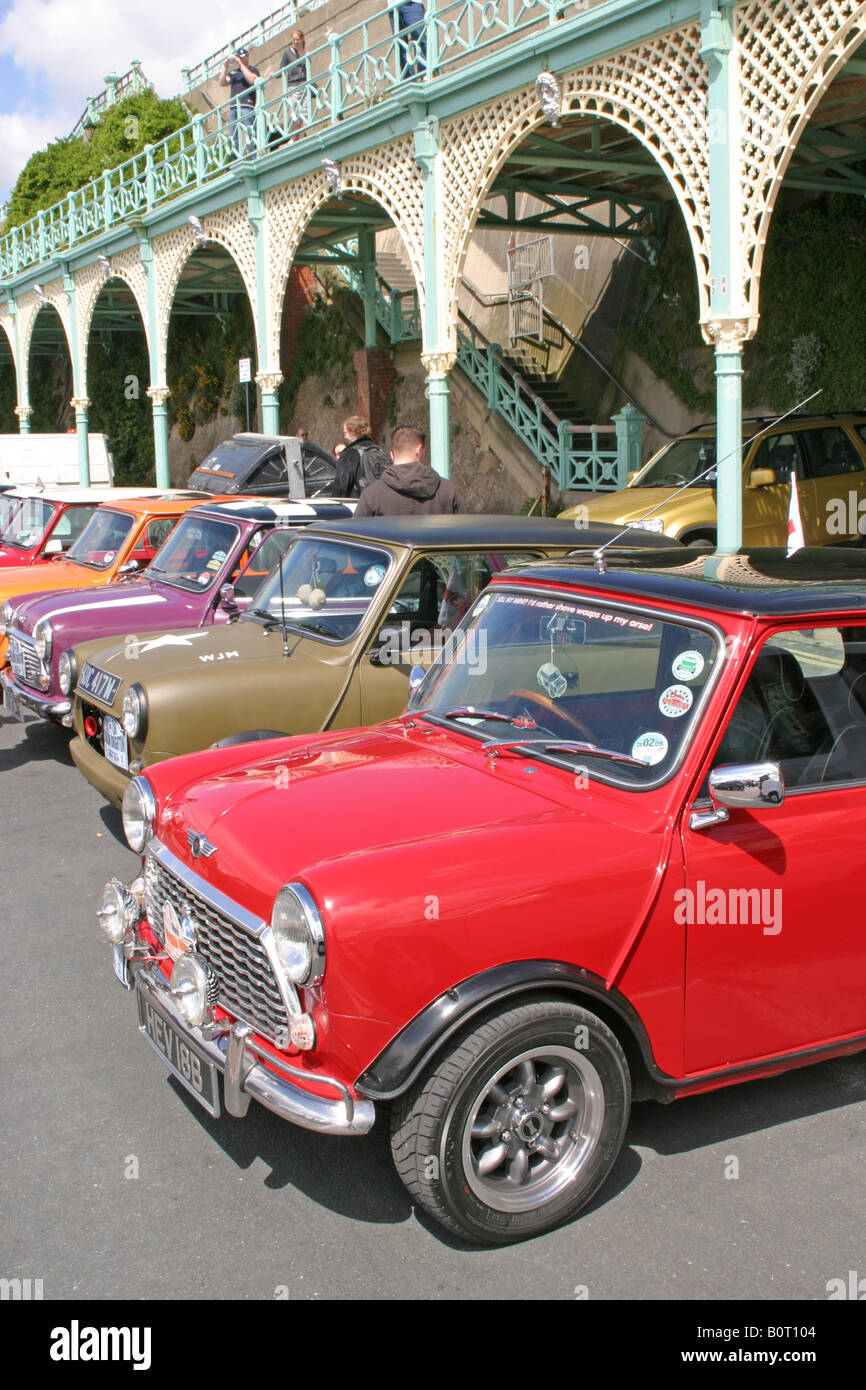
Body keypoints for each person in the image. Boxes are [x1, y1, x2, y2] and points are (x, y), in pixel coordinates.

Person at [354, 424, 463, 517]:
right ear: (419, 450)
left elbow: (356, 537)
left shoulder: (372, 495)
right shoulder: (447, 490)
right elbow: (463, 534)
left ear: (391, 455)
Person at [219, 47, 261, 158]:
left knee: (249, 131)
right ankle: (235, 159)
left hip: (246, 105)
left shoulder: (253, 70)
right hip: (233, 107)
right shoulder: (233, 73)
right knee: (234, 136)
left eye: (244, 57)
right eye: (240, 58)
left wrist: (241, 65)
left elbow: (252, 80)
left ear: (248, 56)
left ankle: (253, 156)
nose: (243, 59)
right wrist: (225, 66)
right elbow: (222, 82)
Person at [334, 416, 389, 498]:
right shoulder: (379, 450)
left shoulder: (349, 454)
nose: (345, 437)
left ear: (352, 431)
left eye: (345, 433)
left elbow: (341, 487)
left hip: (360, 505)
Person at [278, 29, 309, 140]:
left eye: (297, 39)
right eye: (294, 40)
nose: (295, 42)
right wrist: (274, 74)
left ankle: (301, 136)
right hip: (293, 85)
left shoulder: (306, 53)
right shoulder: (288, 53)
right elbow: (281, 69)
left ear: (302, 39)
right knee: (295, 112)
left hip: (304, 84)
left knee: (304, 112)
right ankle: (292, 138)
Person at [390, 3, 427, 80]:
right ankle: (409, 80)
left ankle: (426, 73)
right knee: (400, 46)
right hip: (392, 7)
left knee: (420, 37)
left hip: (411, 3)